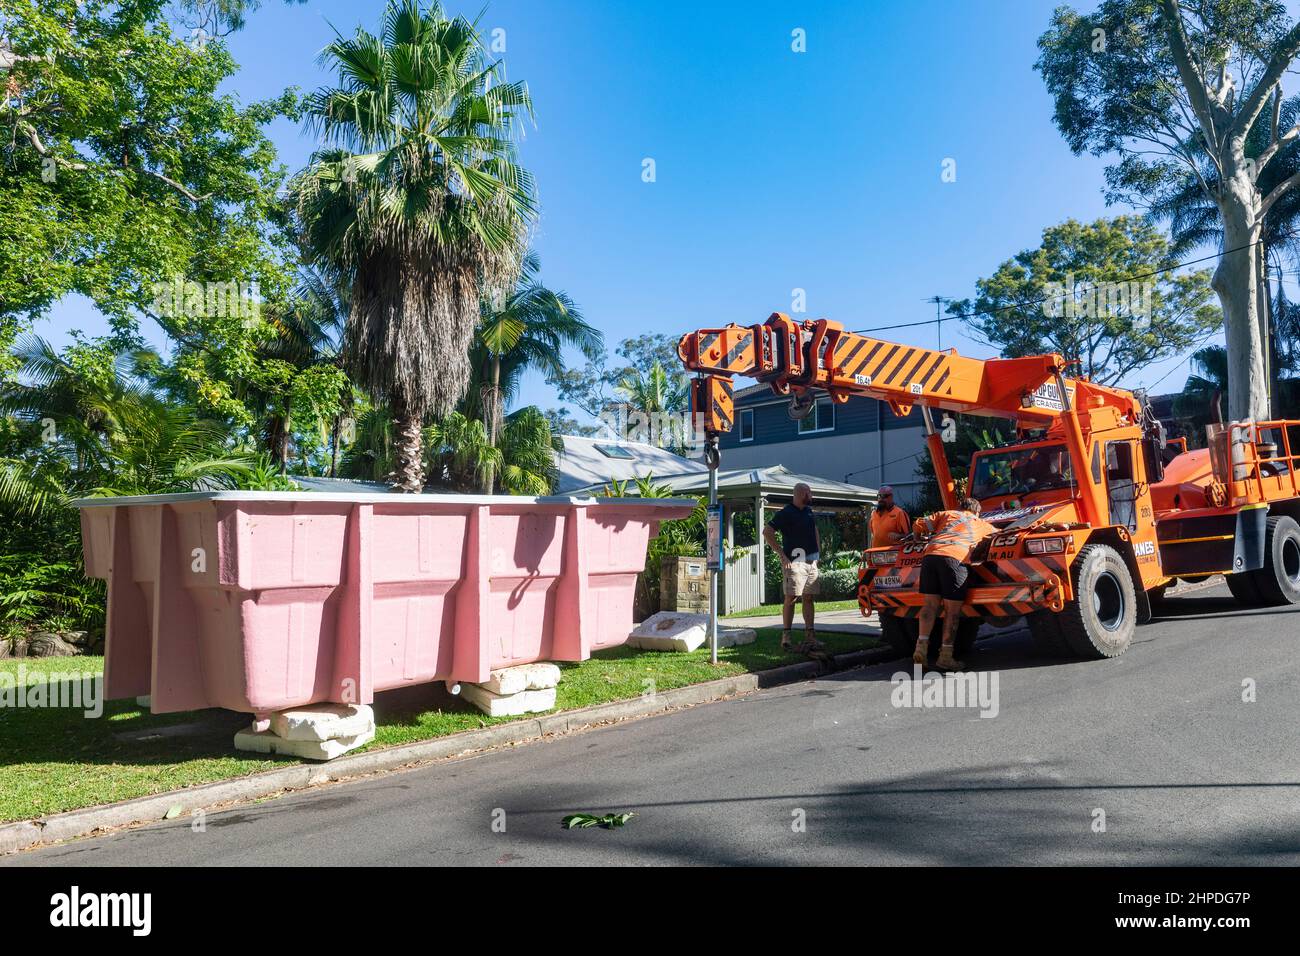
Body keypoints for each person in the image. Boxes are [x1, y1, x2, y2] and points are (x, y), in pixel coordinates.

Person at [911, 497, 996, 671]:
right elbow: (999, 533)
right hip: (954, 559)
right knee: (952, 612)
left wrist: (917, 537)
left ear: (960, 507)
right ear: (976, 511)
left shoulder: (946, 514)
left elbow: (918, 524)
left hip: (930, 557)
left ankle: (921, 649)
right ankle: (946, 657)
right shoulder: (980, 523)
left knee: (928, 606)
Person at [763, 482, 823, 653]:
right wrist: (782, 555)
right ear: (802, 494)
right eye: (809, 493)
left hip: (812, 562)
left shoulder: (809, 512)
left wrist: (817, 554)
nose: (811, 496)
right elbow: (767, 532)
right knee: (791, 598)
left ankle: (810, 636)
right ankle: (786, 636)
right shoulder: (786, 513)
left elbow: (815, 530)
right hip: (795, 562)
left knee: (809, 598)